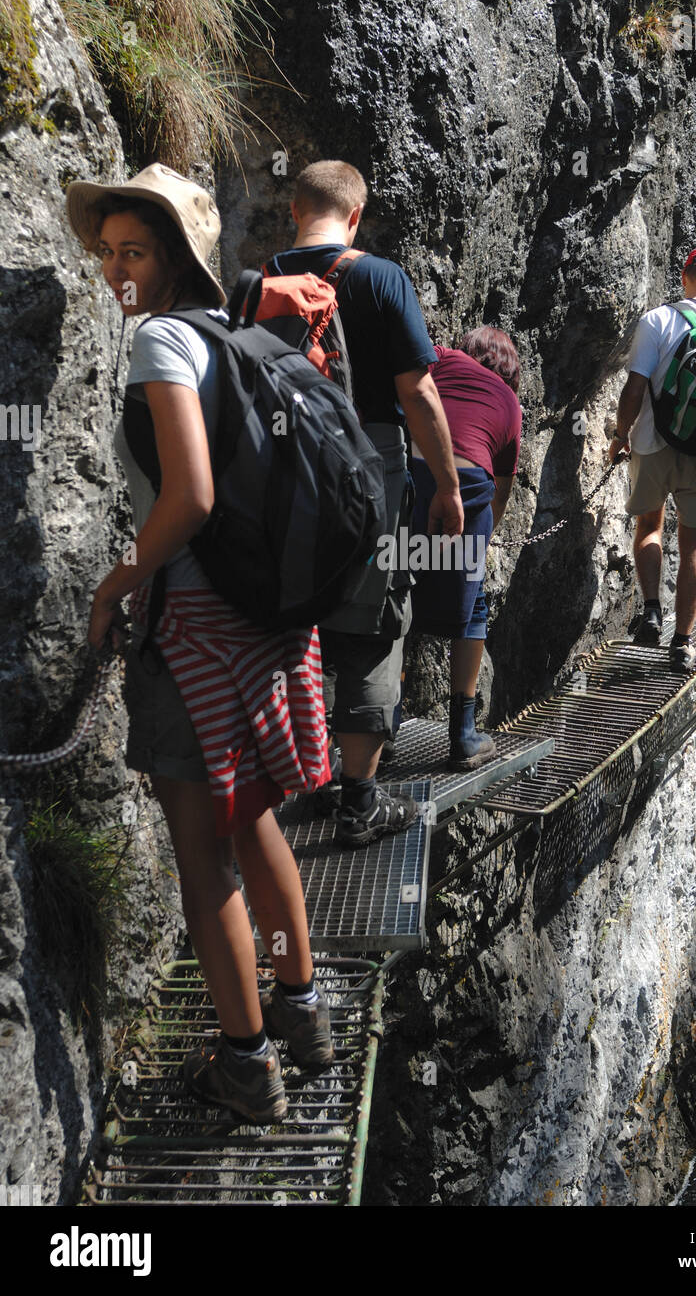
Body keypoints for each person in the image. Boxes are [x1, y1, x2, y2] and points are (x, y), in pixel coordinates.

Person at [66, 164, 333, 1125]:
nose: (114, 270)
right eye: (106, 252)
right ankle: (302, 1013)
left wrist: (116, 583)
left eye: (133, 251)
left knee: (198, 856)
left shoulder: (159, 341)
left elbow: (191, 497)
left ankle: (245, 1062)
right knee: (253, 812)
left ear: (173, 256)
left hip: (194, 626)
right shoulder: (234, 334)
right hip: (263, 616)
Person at [265, 160, 464, 847]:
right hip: (372, 467)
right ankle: (358, 803)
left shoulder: (260, 284)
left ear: (295, 209)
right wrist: (443, 483)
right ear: (356, 215)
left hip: (282, 473)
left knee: (302, 621)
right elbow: (417, 392)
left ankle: (308, 779)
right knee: (374, 624)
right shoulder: (381, 278)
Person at [610, 246, 696, 672]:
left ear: (686, 275)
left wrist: (620, 436)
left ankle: (651, 610)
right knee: (694, 543)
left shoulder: (659, 320)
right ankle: (684, 642)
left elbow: (634, 389)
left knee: (649, 526)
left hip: (654, 444)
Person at [409, 328, 522, 769]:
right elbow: (500, 493)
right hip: (470, 491)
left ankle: (386, 724)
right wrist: (473, 548)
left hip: (409, 477)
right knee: (472, 607)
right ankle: (463, 736)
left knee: (396, 587)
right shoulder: (509, 404)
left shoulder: (440, 359)